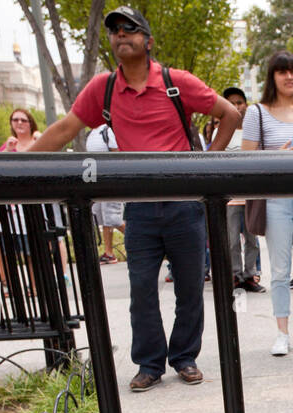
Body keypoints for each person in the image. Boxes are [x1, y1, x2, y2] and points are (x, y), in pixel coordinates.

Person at [28, 4, 241, 391]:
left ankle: (185, 357)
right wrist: (19, 164)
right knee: (142, 290)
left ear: (148, 40)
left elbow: (229, 114)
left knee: (189, 287)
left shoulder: (176, 82)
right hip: (139, 209)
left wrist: (206, 163)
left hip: (183, 205)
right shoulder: (103, 88)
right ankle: (148, 363)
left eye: (130, 29)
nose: (121, 35)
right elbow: (65, 128)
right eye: (115, 31)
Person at [242, 53, 293, 357]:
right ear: (272, 77)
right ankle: (281, 333)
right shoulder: (257, 113)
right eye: (282, 72)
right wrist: (276, 153)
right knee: (279, 271)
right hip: (275, 200)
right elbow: (246, 158)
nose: (289, 77)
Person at [221, 86, 264, 293]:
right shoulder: (222, 130)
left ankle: (250, 275)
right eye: (231, 102)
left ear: (245, 105)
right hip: (230, 196)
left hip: (250, 195)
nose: (236, 106)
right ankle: (235, 276)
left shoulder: (252, 130)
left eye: (239, 102)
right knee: (231, 240)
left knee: (252, 238)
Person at [86, 122, 125, 263]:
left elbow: (118, 156)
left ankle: (140, 240)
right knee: (103, 219)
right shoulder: (92, 132)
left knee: (113, 219)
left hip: (111, 181)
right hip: (99, 182)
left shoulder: (109, 130)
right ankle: (108, 253)